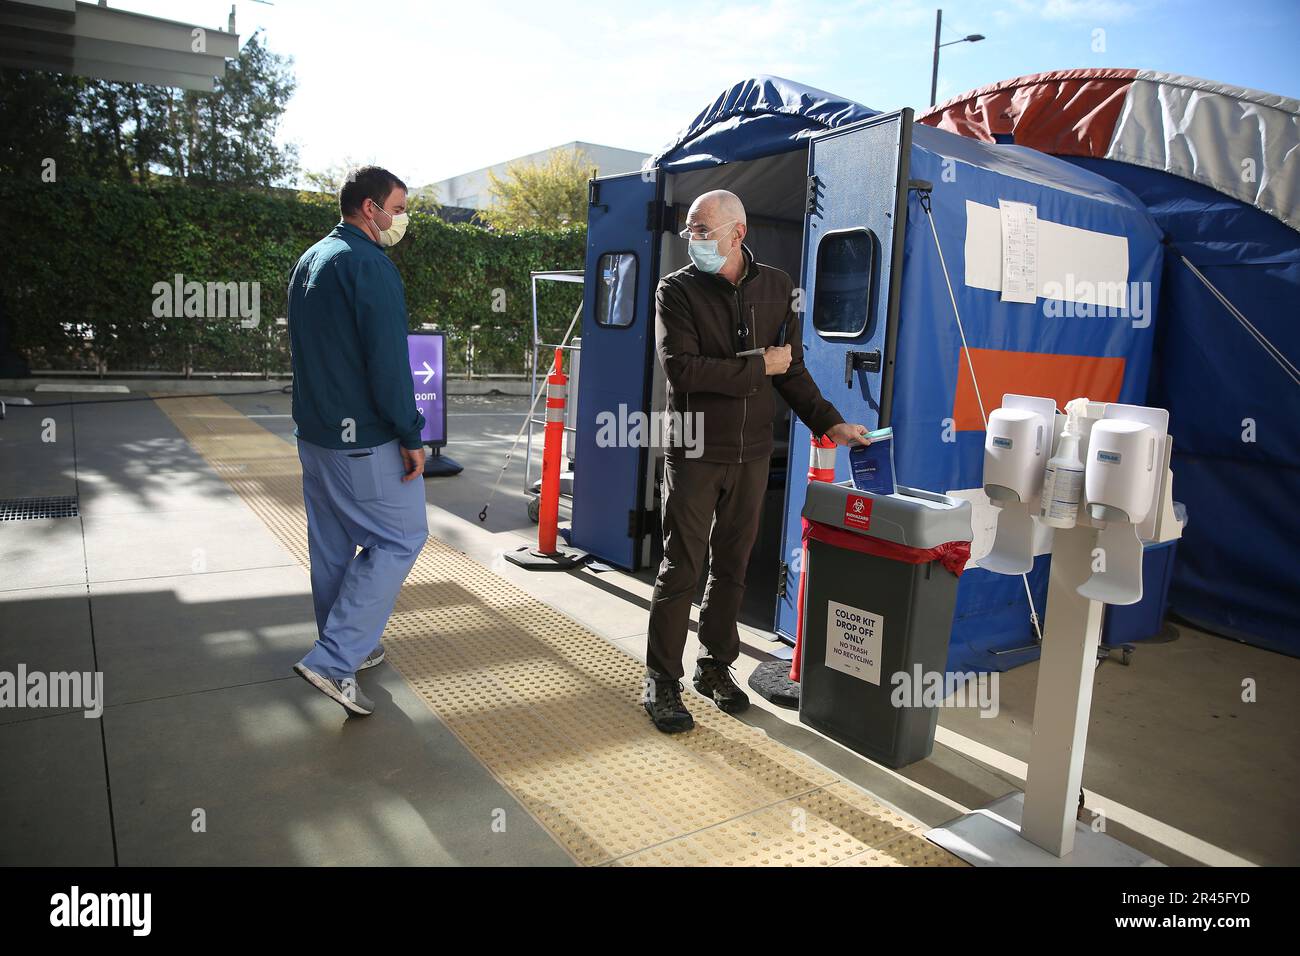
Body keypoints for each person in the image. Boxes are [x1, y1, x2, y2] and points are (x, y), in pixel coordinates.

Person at [643, 189, 872, 733]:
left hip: (750, 454)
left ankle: (714, 667)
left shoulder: (777, 288)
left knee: (732, 569)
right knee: (682, 567)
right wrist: (759, 365)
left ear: (738, 234)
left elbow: (788, 370)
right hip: (695, 449)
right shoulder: (674, 291)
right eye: (690, 231)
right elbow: (685, 372)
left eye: (703, 231)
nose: (692, 240)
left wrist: (829, 421)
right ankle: (661, 682)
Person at [287, 165, 428, 717]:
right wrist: (409, 433)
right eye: (397, 207)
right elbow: (389, 363)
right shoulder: (370, 265)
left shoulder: (312, 259)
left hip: (316, 435)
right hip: (362, 442)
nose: (401, 218)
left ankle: (351, 645)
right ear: (370, 208)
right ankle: (333, 659)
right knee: (399, 538)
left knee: (331, 546)